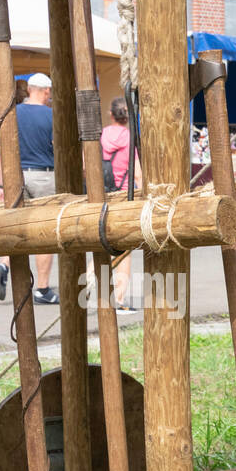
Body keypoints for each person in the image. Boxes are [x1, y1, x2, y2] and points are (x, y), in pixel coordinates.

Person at [0, 73, 58, 305]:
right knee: (44, 233)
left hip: (16, 176)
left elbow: (4, 152)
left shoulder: (14, 114)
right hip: (44, 176)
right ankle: (42, 288)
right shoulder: (51, 116)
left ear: (29, 89)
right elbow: (58, 147)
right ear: (47, 91)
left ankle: (4, 264)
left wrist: (1, 184)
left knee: (19, 227)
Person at [101, 97, 141, 311]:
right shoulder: (130, 138)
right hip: (124, 194)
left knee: (104, 241)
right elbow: (137, 171)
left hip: (104, 195)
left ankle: (92, 276)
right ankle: (118, 299)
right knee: (124, 247)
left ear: (111, 114)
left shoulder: (102, 135)